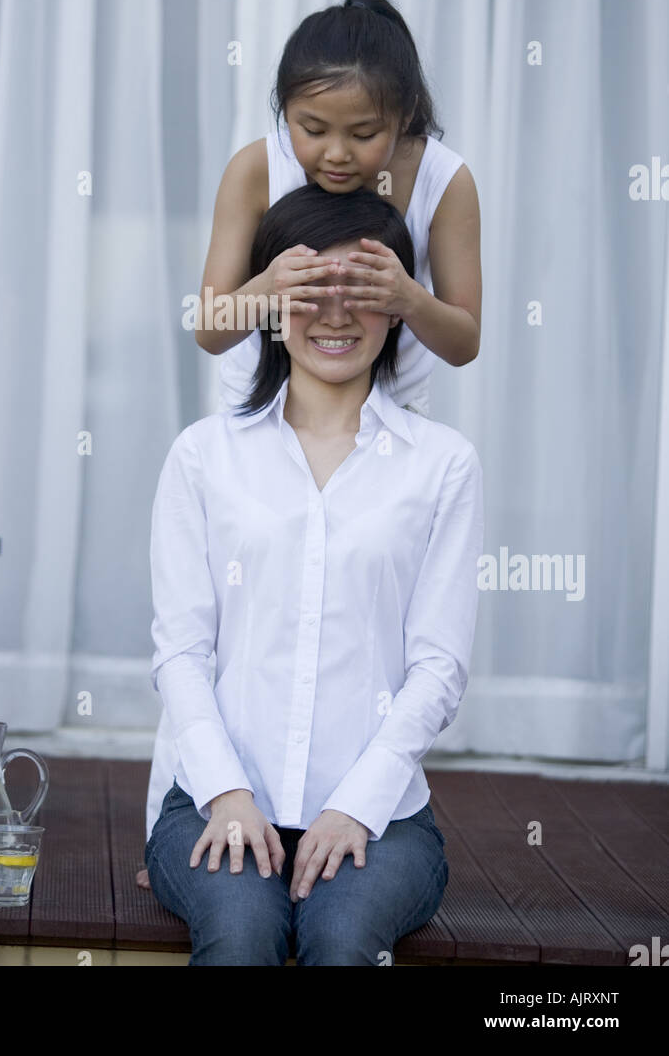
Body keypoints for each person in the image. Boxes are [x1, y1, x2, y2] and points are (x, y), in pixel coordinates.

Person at [142, 184, 484, 965]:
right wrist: (226, 794)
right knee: (240, 933)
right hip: (213, 802)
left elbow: (439, 668)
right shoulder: (204, 456)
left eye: (359, 290)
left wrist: (355, 809)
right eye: (310, 290)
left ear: (397, 305)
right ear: (269, 300)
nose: (335, 315)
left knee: (340, 936)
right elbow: (181, 653)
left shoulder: (442, 467)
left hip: (384, 820)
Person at [195, 0, 481, 418]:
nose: (336, 154)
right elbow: (209, 329)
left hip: (391, 418)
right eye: (312, 129)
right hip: (262, 411)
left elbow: (464, 345)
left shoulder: (443, 181)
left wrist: (408, 298)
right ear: (285, 110)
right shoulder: (254, 171)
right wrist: (267, 288)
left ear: (405, 118)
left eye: (364, 135)